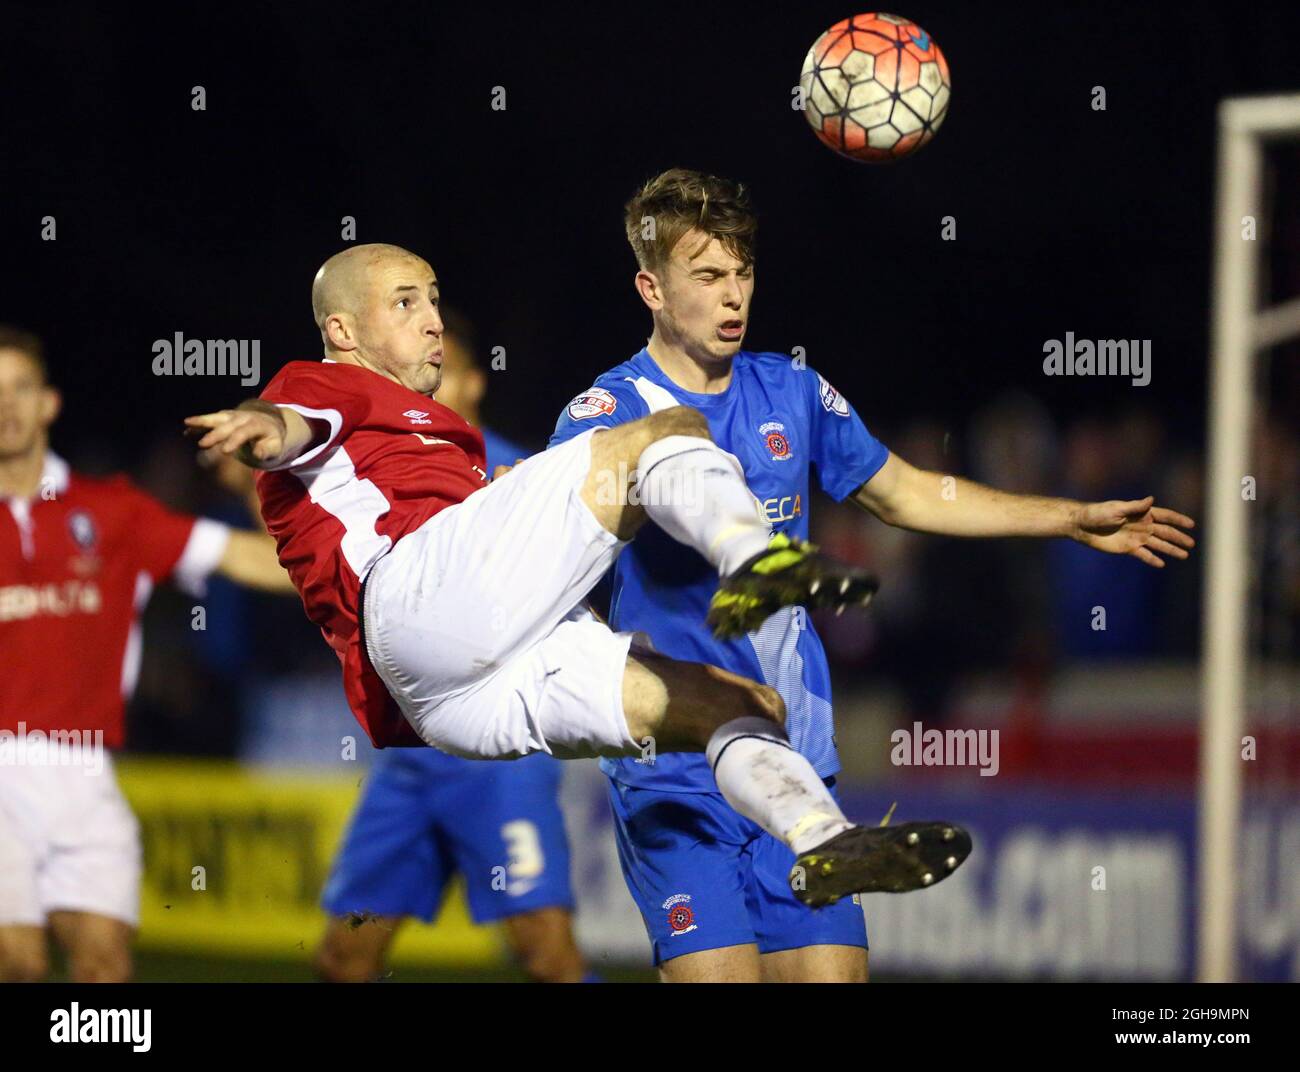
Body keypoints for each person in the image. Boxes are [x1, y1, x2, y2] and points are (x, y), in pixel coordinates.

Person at [185, 242, 973, 920]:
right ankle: (757, 562)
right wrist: (261, 428)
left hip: (451, 700)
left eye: (433, 298)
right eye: (405, 302)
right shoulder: (327, 387)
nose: (432, 319)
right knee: (662, 432)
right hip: (414, 600)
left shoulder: (441, 437)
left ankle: (824, 843)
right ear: (342, 331)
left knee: (737, 705)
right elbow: (290, 425)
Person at [547, 168, 1198, 982]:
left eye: (743, 273)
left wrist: (1067, 516)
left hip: (794, 762)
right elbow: (548, 566)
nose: (733, 296)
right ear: (651, 286)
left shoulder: (792, 390)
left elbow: (909, 493)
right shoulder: (603, 417)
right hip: (675, 774)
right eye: (708, 276)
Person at [0, 326, 294, 982]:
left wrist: (256, 491)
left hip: (85, 773)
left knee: (105, 969)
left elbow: (266, 562)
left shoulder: (113, 513)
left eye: (19, 387)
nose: (6, 406)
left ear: (49, 402)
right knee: (16, 964)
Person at [313, 316, 596, 983]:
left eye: (440, 375)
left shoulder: (519, 475)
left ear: (473, 382)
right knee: (343, 958)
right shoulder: (377, 478)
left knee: (547, 954)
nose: (426, 389)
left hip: (496, 760)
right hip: (407, 760)